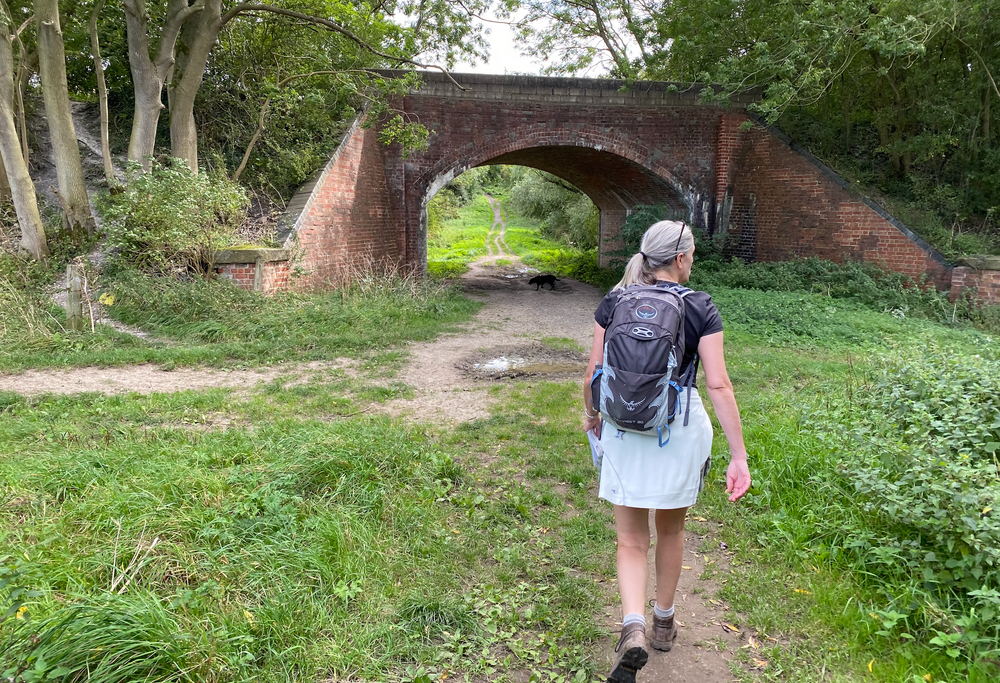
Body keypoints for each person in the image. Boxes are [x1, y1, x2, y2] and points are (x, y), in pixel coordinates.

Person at [583, 220, 752, 683]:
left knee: (630, 539)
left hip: (623, 430)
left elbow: (594, 374)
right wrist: (739, 455)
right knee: (671, 531)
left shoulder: (615, 301)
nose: (692, 260)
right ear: (680, 258)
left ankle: (632, 626)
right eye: (692, 253)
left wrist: (593, 419)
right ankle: (663, 620)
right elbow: (717, 383)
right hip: (677, 429)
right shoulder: (699, 306)